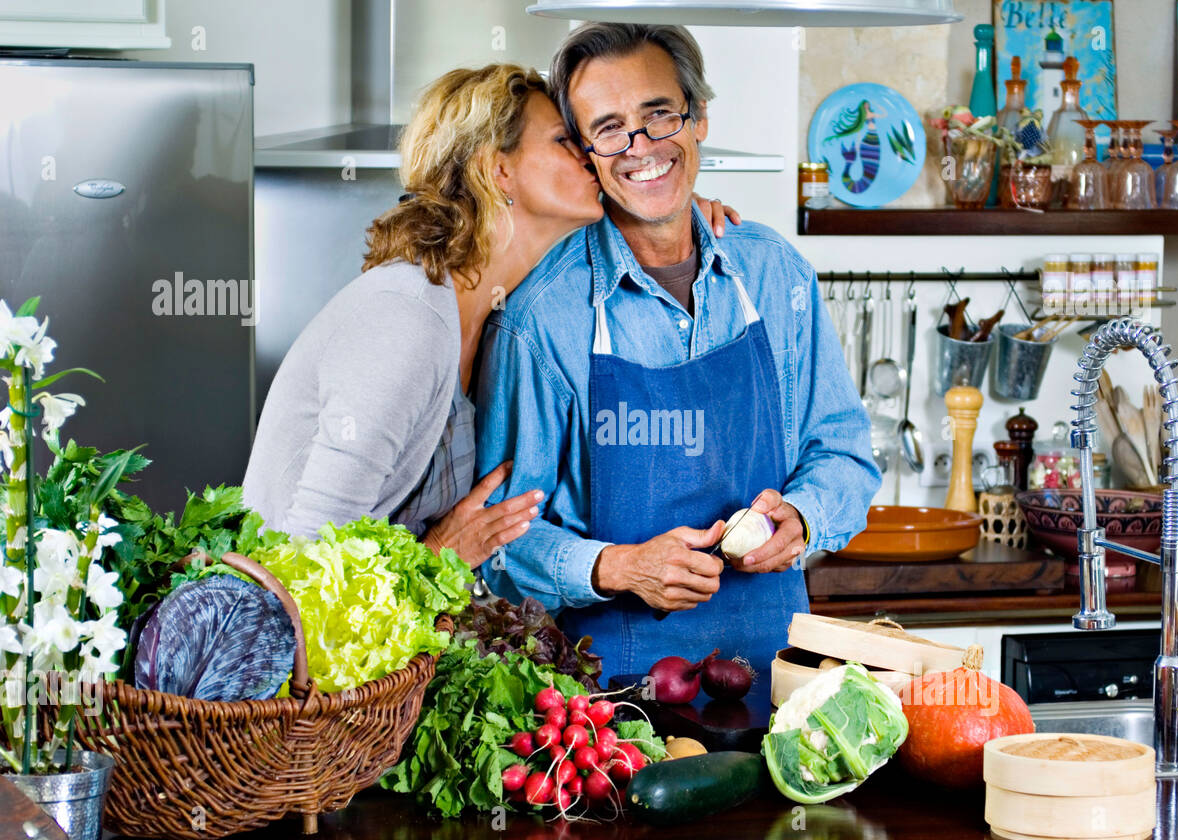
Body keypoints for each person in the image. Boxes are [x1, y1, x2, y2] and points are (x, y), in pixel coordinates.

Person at [474, 24, 879, 674]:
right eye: (609, 128)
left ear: (699, 120)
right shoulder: (542, 320)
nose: (641, 148)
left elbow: (843, 452)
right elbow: (498, 542)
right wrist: (617, 566)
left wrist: (804, 514)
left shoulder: (777, 277)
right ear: (587, 154)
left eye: (659, 115)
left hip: (780, 685)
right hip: (609, 717)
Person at [242, 63, 737, 568]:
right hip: (294, 641)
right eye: (565, 141)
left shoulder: (494, 314)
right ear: (498, 171)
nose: (591, 155)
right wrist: (438, 556)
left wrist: (677, 208)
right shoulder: (406, 319)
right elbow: (304, 557)